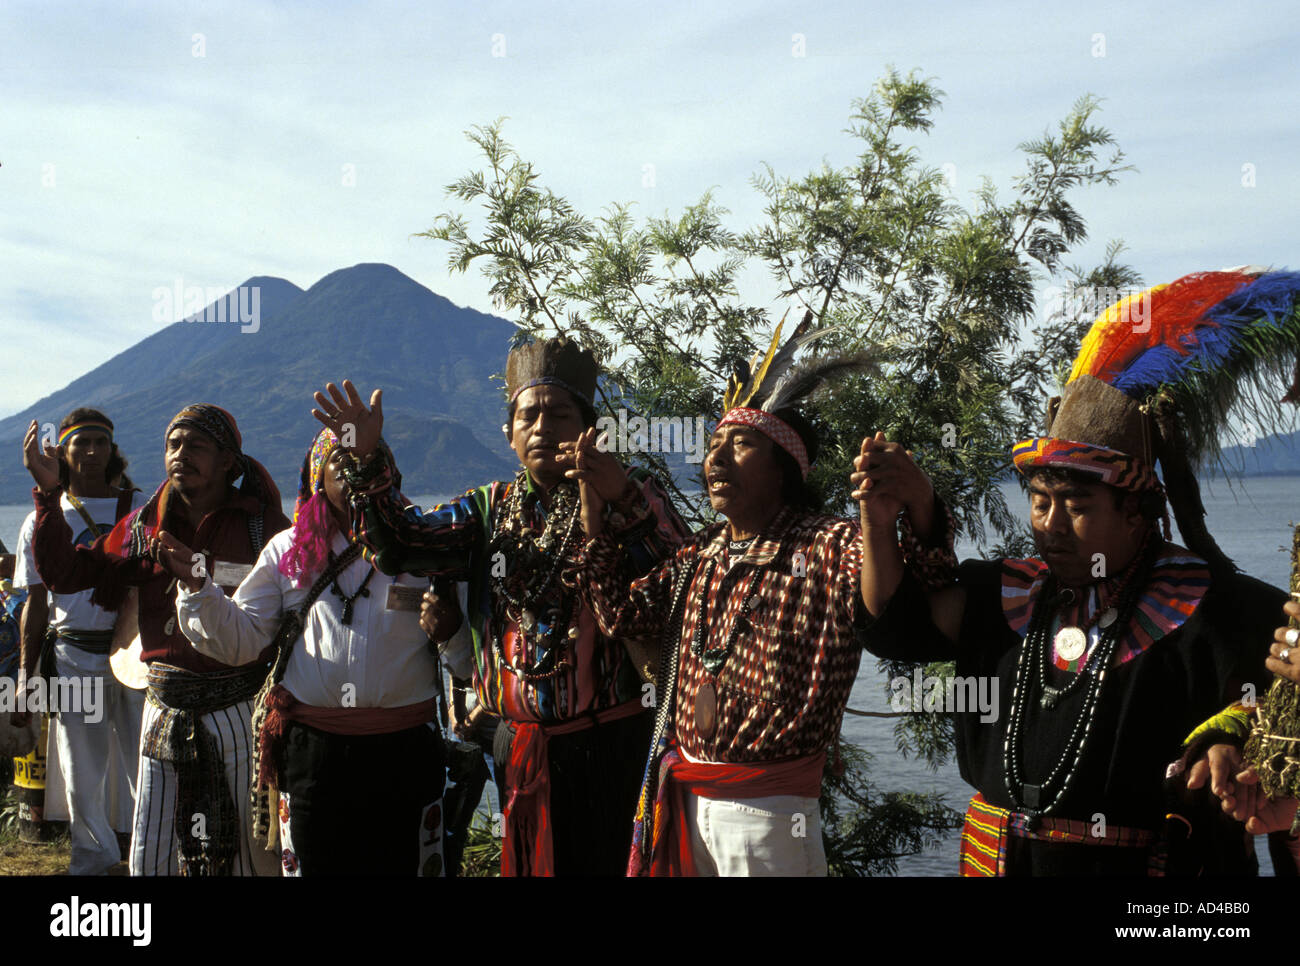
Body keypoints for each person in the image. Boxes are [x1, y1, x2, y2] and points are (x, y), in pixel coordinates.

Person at [858, 268, 1300, 875]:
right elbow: (896, 628)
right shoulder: (1005, 597)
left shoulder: (1221, 611)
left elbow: (1282, 712)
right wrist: (882, 520)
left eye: (1078, 506)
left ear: (1139, 513)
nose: (1052, 526)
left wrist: (1232, 741)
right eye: (1041, 502)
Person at [312, 336, 689, 876]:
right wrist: (369, 458)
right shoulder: (487, 510)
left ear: (589, 429)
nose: (543, 428)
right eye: (528, 416)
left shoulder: (631, 490)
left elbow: (684, 582)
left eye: (560, 414)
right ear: (509, 434)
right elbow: (402, 543)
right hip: (518, 747)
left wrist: (620, 502)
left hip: (611, 744)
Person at [572, 321, 875, 876]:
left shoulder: (827, 543)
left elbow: (892, 590)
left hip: (771, 812)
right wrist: (595, 525)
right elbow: (621, 614)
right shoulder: (702, 556)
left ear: (784, 469)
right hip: (688, 797)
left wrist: (898, 511)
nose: (717, 459)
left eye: (740, 444)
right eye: (713, 446)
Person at [151, 428, 446, 875]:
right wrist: (197, 587)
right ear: (317, 477)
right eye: (339, 464)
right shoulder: (288, 550)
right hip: (315, 756)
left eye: (366, 461)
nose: (353, 475)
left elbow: (463, 650)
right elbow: (243, 639)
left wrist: (452, 630)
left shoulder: (426, 541)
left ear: (387, 472)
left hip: (404, 750)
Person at [26, 403, 289, 876]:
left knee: (250, 856)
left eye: (196, 446)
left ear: (228, 461)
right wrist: (49, 496)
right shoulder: (146, 526)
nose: (180, 454)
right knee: (152, 856)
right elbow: (66, 575)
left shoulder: (261, 527)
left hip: (240, 712)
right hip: (161, 709)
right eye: (173, 444)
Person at [11, 410, 145, 874]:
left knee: (146, 765)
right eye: (81, 443)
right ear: (63, 452)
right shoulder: (44, 518)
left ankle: (148, 856)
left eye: (100, 442)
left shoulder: (141, 508)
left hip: (136, 656)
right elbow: (35, 604)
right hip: (74, 656)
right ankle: (91, 861)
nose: (92, 451)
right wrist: (26, 677)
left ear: (113, 450)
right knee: (80, 773)